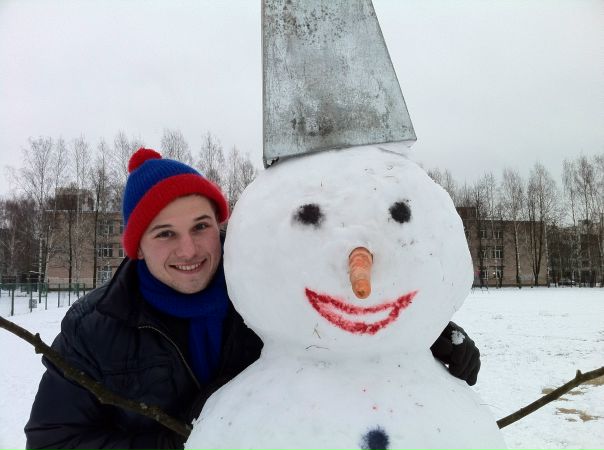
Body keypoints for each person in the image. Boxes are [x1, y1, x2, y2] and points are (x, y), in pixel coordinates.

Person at [25, 148, 481, 450]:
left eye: (201, 227)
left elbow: (337, 320)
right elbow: (52, 440)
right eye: (165, 234)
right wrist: (186, 440)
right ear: (138, 247)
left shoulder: (265, 287)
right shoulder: (96, 327)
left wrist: (427, 336)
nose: (189, 250)